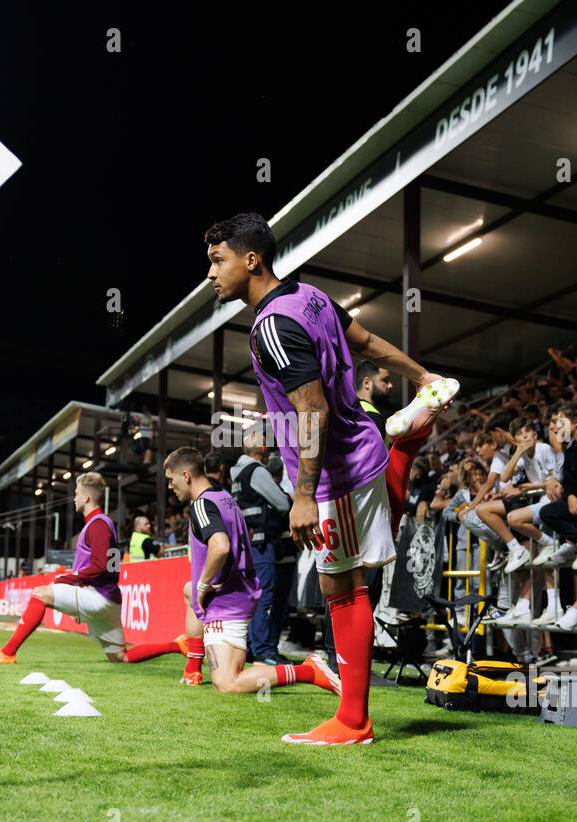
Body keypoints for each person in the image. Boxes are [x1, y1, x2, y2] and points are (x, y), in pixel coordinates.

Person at [205, 211, 455, 745]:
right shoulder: (310, 296)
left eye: (217, 260)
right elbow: (365, 341)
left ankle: (352, 722)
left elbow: (311, 412)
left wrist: (300, 495)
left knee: (341, 587)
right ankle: (403, 442)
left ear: (251, 260)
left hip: (333, 475)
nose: (211, 273)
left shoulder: (271, 323)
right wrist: (422, 376)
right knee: (338, 582)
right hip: (358, 453)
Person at [161, 446, 338, 694]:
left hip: (226, 602)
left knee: (226, 683)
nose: (170, 486)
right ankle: (192, 668)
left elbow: (220, 546)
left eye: (171, 480)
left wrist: (204, 585)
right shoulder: (224, 497)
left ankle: (308, 671)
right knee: (189, 591)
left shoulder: (201, 505)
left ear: (186, 476)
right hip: (240, 592)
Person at [0, 472, 125, 663]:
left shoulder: (98, 524)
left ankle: (7, 653)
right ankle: (174, 645)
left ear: (86, 497)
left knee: (40, 593)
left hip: (99, 595)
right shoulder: (102, 523)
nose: (74, 498)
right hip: (109, 596)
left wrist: (68, 578)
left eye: (77, 493)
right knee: (121, 657)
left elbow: (100, 565)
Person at [230, 426, 293, 665]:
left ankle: (256, 647)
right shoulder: (256, 471)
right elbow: (282, 504)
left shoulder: (237, 474)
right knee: (265, 596)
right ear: (262, 448)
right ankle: (264, 651)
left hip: (249, 545)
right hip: (263, 544)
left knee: (254, 596)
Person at [355, 360, 393, 439]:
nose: (390, 385)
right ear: (367, 383)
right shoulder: (372, 416)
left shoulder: (347, 410)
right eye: (385, 380)